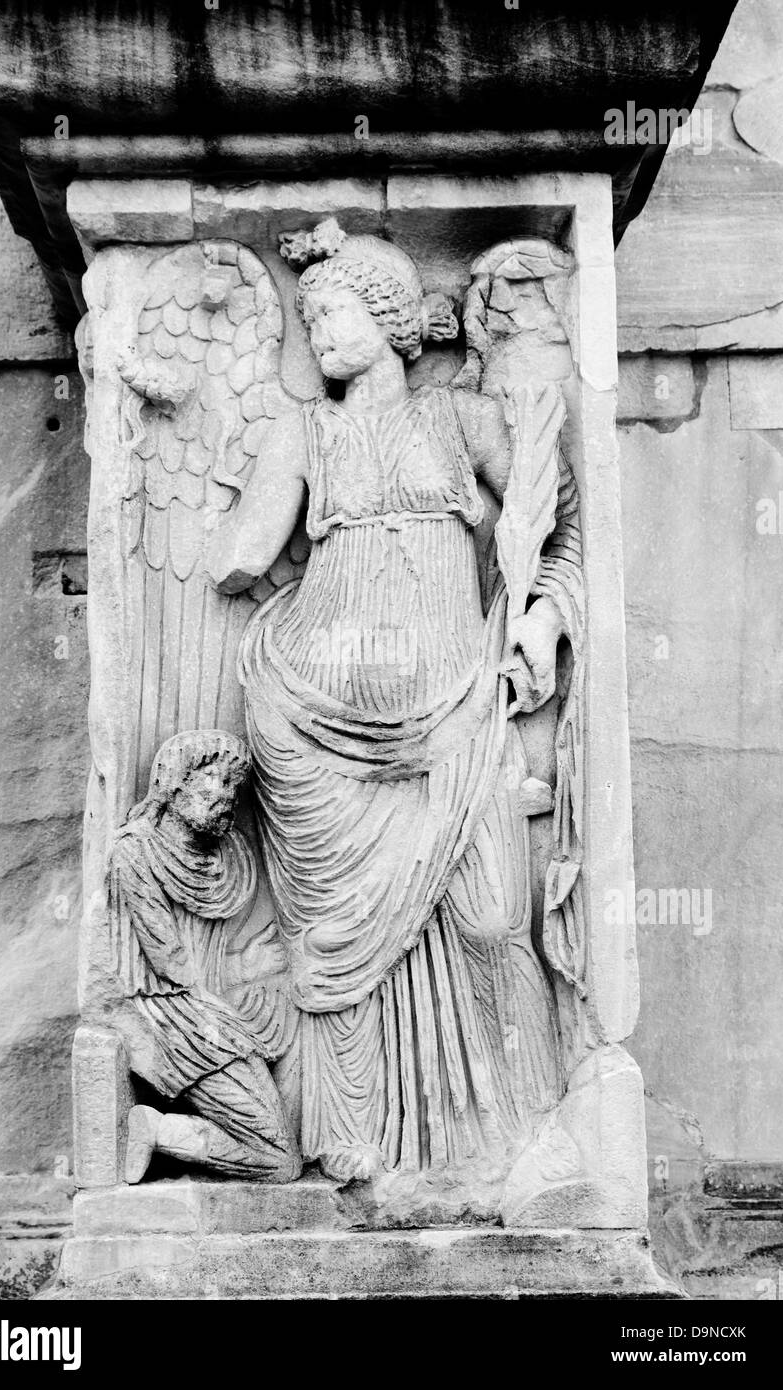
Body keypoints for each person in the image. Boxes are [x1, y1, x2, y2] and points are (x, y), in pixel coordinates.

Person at [207, 223, 579, 1183]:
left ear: (387, 316)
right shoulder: (306, 431)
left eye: (331, 310)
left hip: (457, 706)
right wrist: (199, 421)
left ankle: (540, 1126)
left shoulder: (459, 417)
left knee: (496, 918)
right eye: (308, 316)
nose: (317, 332)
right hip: (314, 714)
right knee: (330, 942)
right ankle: (348, 1140)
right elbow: (241, 557)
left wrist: (545, 616)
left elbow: (563, 518)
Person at [106, 728, 301, 1183]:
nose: (228, 795)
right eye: (216, 779)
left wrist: (243, 967)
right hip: (173, 1018)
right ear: (175, 782)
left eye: (235, 786)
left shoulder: (218, 859)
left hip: (201, 1009)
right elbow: (168, 960)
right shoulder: (134, 852)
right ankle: (159, 1130)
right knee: (277, 1159)